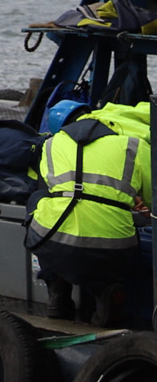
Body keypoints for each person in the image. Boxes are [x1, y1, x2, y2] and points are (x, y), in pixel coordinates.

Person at [29, 100, 152, 325]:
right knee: (115, 223)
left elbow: (50, 188)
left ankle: (56, 289)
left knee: (38, 201)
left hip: (54, 242)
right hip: (112, 249)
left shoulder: (49, 145)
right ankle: (106, 291)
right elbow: (153, 204)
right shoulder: (134, 145)